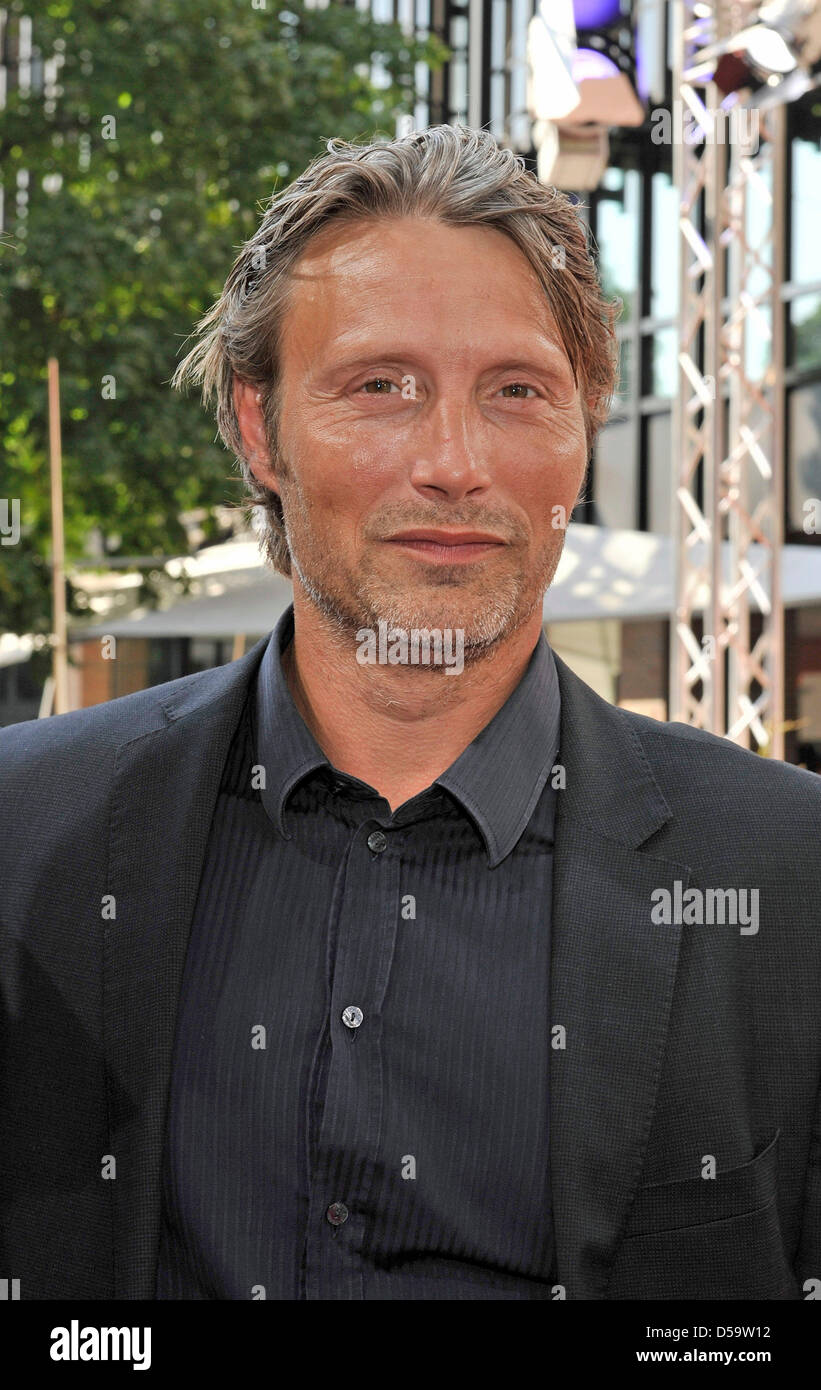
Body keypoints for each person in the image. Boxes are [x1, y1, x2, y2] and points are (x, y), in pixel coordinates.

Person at [1, 125, 818, 1301]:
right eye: (379, 386)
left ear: (582, 428)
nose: (452, 461)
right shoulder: (27, 836)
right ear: (255, 425)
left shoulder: (790, 878)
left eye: (516, 391)